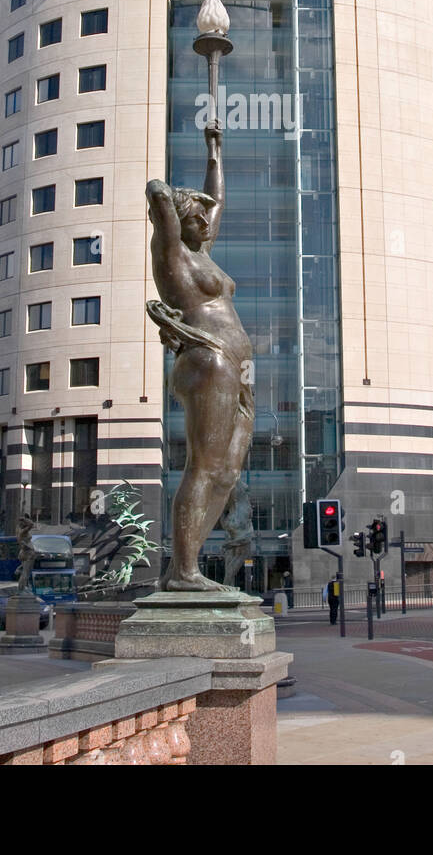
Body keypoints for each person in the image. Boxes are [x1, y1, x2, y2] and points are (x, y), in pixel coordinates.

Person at [146, 118, 254, 592]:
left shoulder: (203, 252)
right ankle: (182, 573)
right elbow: (157, 192)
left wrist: (214, 155)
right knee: (204, 465)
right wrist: (175, 203)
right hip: (207, 359)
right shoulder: (173, 255)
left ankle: (189, 568)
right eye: (197, 218)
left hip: (236, 366)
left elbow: (217, 202)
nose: (206, 224)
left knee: (228, 473)